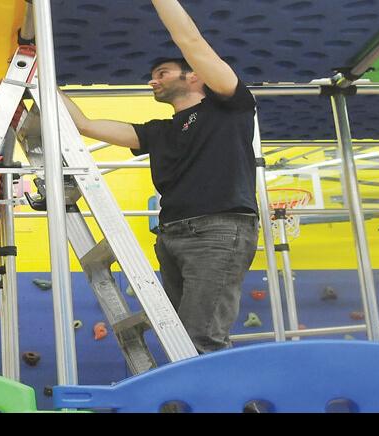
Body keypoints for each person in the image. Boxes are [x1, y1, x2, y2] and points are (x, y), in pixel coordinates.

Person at [59, 0, 260, 353]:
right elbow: (84, 125)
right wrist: (40, 78)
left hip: (218, 229)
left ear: (194, 75)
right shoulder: (159, 132)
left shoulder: (230, 106)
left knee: (202, 339)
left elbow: (191, 41)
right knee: (182, 341)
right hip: (171, 235)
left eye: (162, 73)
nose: (153, 80)